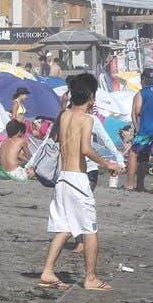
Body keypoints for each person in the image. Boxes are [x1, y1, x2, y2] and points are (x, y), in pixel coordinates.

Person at [39, 73, 121, 291]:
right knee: (90, 230)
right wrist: (107, 163)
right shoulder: (87, 120)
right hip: (77, 178)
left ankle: (48, 271)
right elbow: (85, 149)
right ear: (91, 96)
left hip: (62, 178)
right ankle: (91, 278)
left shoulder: (64, 115)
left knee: (65, 227)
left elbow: (55, 139)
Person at [126, 68, 153, 193]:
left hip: (146, 129)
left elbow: (137, 111)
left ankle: (129, 184)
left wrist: (137, 126)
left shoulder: (141, 93)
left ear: (143, 80)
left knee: (134, 154)